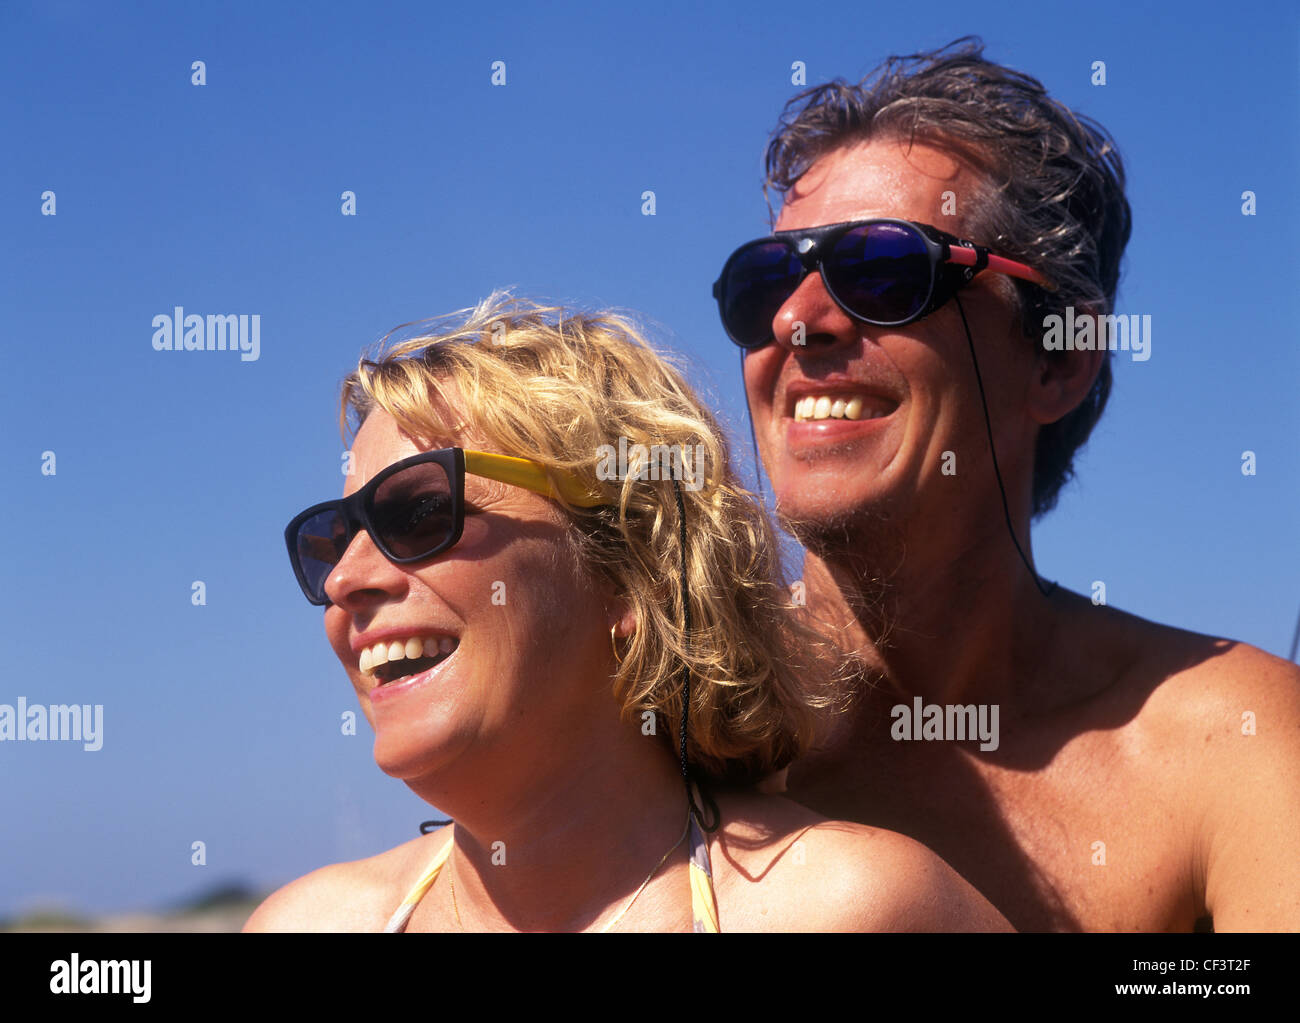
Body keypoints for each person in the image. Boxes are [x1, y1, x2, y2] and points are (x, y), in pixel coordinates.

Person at [712, 37, 1300, 932]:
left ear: (1059, 361)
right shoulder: (652, 723)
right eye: (766, 282)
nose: (797, 320)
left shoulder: (1227, 741)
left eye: (882, 269)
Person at [243, 293, 1010, 932]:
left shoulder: (845, 909)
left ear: (632, 564)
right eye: (328, 541)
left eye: (418, 512)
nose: (346, 577)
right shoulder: (308, 924)